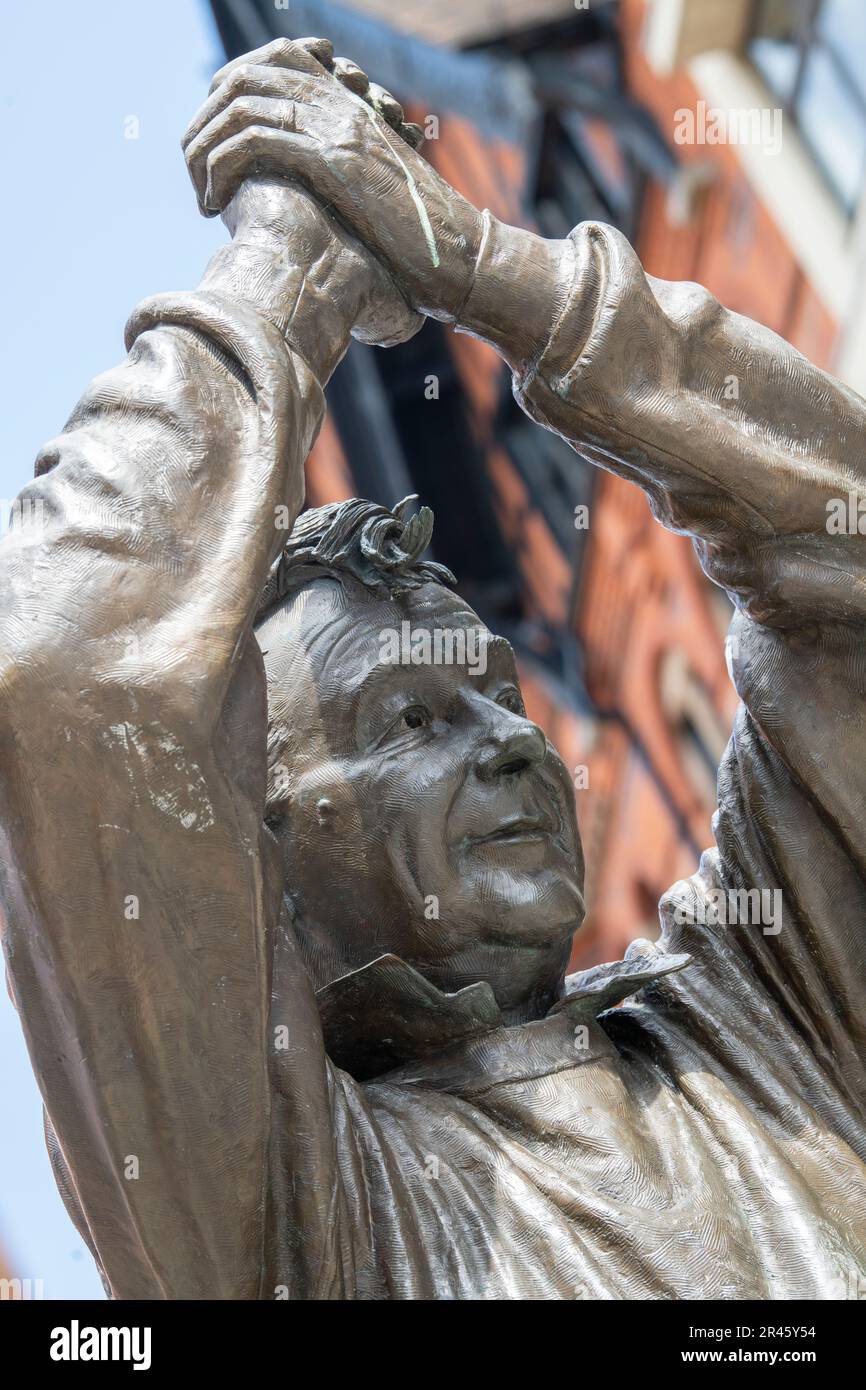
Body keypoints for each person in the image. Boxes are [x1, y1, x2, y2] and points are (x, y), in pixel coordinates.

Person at [1, 38, 865, 1300]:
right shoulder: (295, 1215)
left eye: (497, 695)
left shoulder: (762, 1016)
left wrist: (474, 266)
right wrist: (288, 263)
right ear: (259, 855)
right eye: (406, 719)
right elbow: (70, 678)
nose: (507, 742)